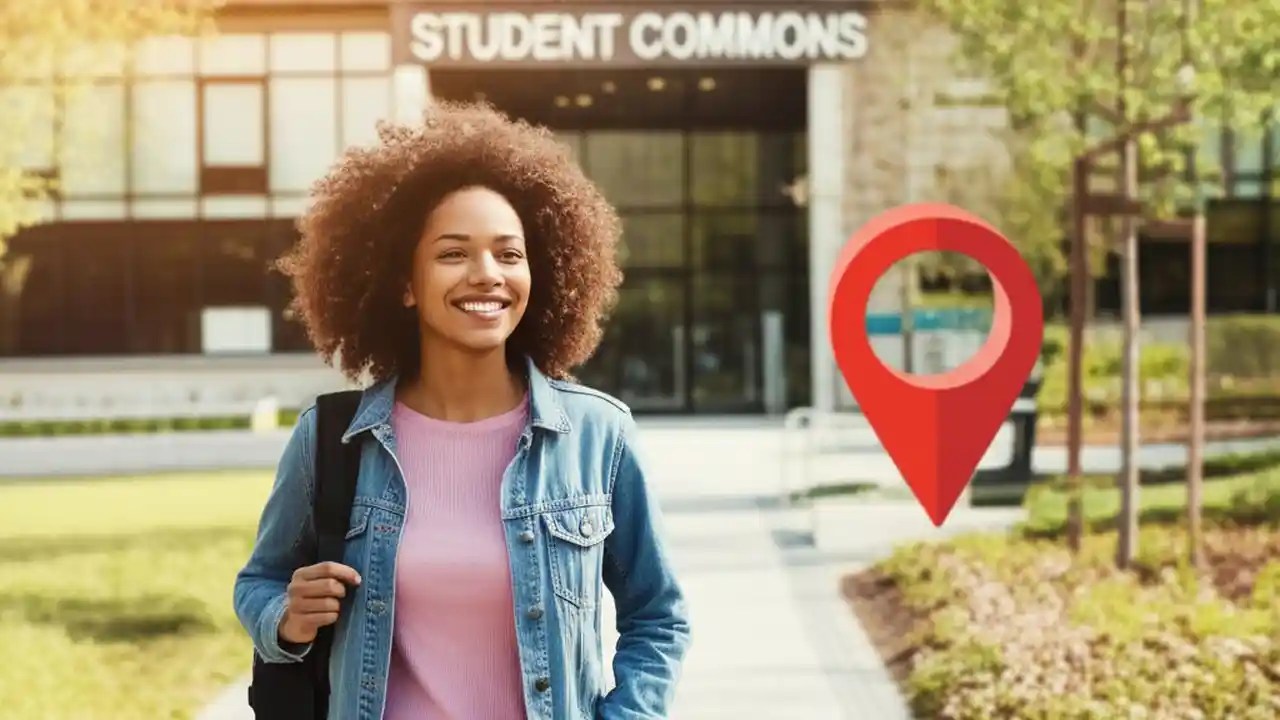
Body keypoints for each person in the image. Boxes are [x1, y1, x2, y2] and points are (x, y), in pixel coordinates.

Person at [233, 100, 691, 720]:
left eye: (509, 254)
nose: (486, 275)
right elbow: (258, 583)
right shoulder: (334, 439)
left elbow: (657, 617)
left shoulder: (598, 435)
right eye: (453, 254)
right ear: (404, 282)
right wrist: (285, 618)